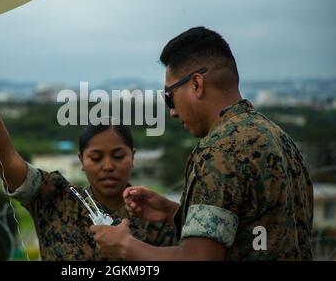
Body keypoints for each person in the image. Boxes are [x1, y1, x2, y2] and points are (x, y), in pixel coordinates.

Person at [90, 27, 314, 261]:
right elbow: (255, 228)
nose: (173, 112)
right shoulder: (278, 137)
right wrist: (173, 212)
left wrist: (125, 246)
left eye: (169, 97)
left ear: (196, 84)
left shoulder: (218, 151)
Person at [0, 51, 176, 260]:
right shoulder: (54, 199)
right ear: (81, 161)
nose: (108, 166)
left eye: (118, 156)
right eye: (96, 158)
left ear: (133, 157)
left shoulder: (154, 215)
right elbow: (4, 159)